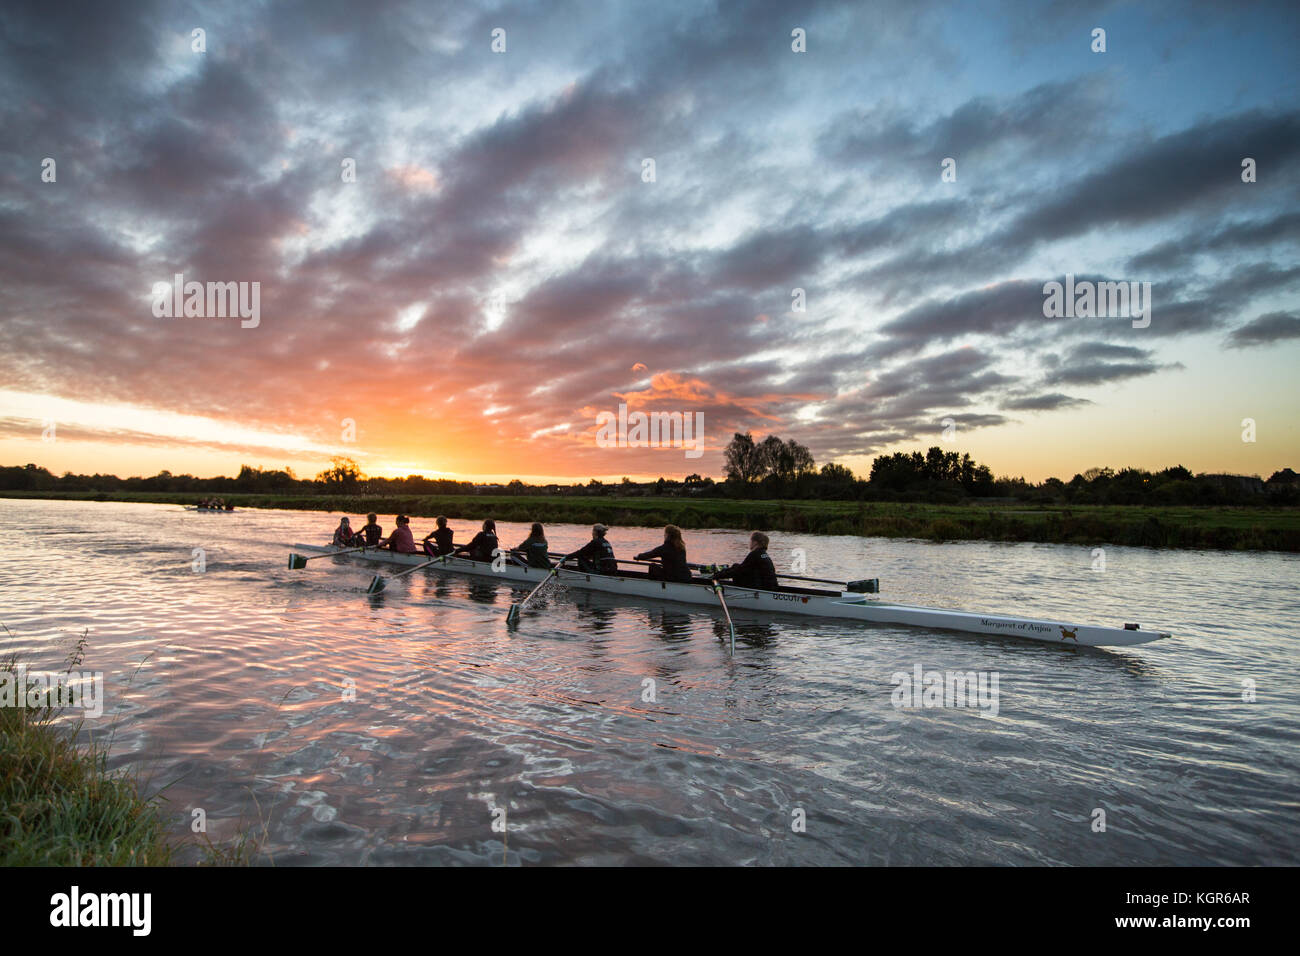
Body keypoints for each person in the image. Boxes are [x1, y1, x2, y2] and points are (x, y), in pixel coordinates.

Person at [711, 531, 779, 591]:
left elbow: (739, 571)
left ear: (755, 542)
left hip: (763, 589)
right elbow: (742, 568)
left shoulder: (755, 554)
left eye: (750, 541)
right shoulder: (764, 554)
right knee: (736, 566)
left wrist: (718, 575)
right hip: (771, 586)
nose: (749, 543)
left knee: (736, 569)